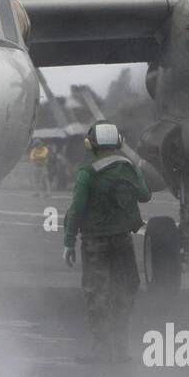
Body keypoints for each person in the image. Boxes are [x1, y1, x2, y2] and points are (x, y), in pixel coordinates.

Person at [63, 121, 151, 364]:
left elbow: (76, 210)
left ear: (90, 144)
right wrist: (136, 170)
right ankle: (121, 349)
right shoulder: (130, 169)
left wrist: (69, 242)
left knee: (97, 293)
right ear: (119, 142)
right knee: (125, 291)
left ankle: (101, 350)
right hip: (123, 242)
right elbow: (145, 195)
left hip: (94, 244)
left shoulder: (87, 173)